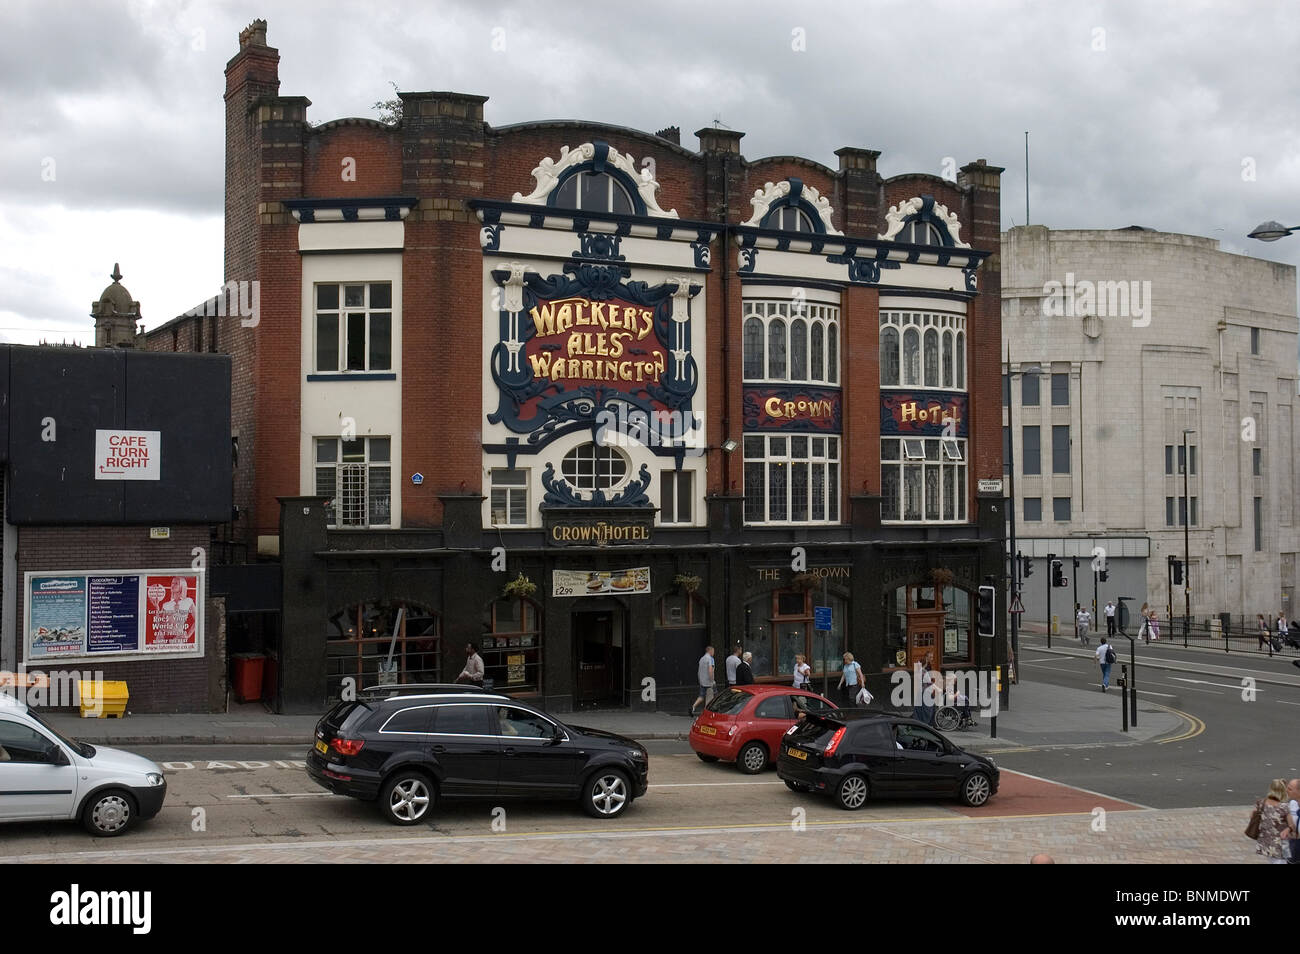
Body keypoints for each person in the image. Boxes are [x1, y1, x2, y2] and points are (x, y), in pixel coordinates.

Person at [1252, 778, 1295, 863]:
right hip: (1280, 844)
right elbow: (1292, 826)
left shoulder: (1261, 802)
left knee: (1272, 861)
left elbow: (1252, 816)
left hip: (1266, 841)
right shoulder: (1284, 807)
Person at [690, 646, 715, 716]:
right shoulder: (710, 659)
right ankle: (707, 713)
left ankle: (693, 707)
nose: (713, 653)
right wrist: (712, 680)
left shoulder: (702, 659)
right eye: (713, 651)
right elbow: (711, 670)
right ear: (710, 651)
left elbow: (699, 671)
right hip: (709, 682)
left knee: (701, 696)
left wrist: (699, 679)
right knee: (710, 697)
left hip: (702, 681)